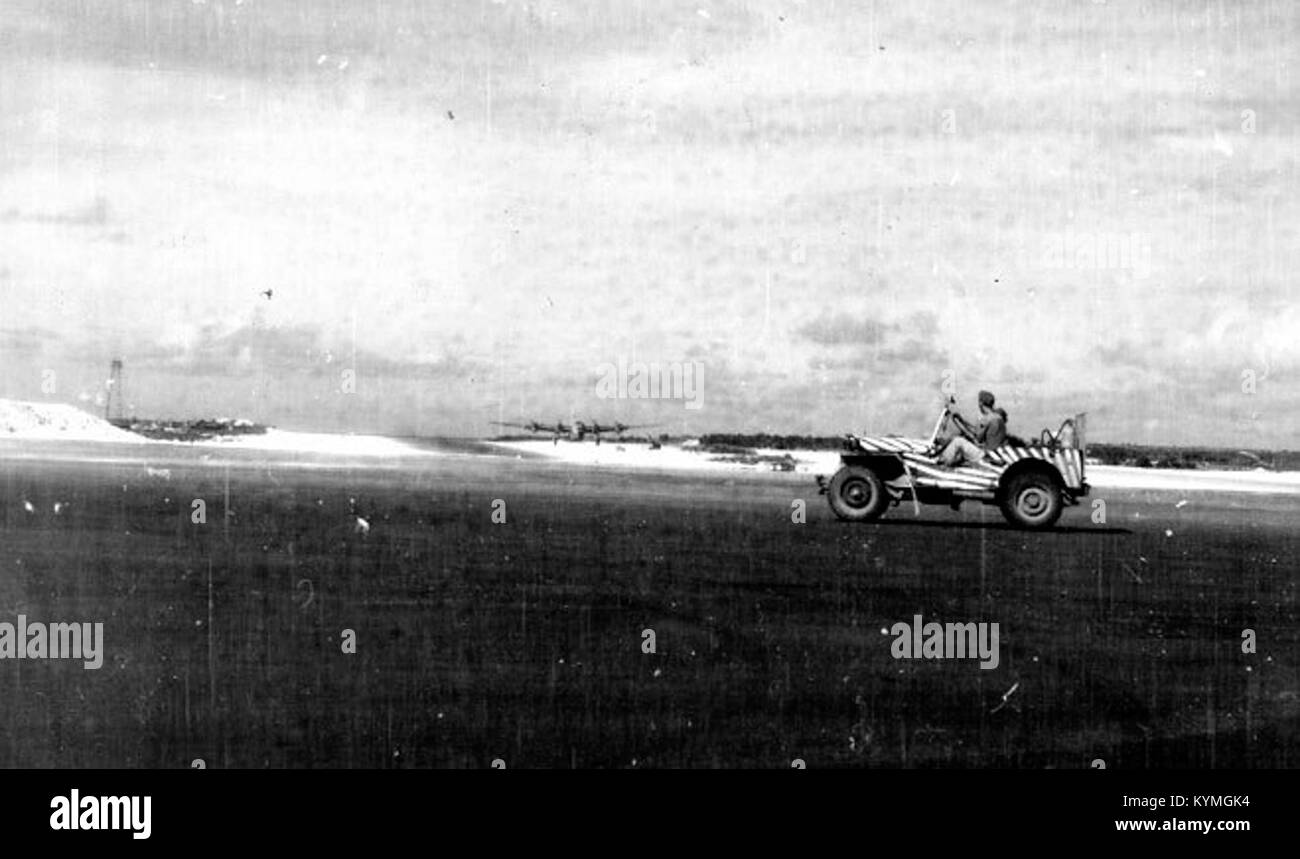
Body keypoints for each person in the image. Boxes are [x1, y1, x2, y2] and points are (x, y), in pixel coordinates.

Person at [936, 390, 1008, 467]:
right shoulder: (998, 417)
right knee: (963, 442)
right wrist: (962, 421)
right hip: (996, 453)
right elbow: (977, 430)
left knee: (958, 441)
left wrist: (961, 426)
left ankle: (942, 463)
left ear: (981, 403)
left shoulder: (987, 419)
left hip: (986, 455)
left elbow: (976, 437)